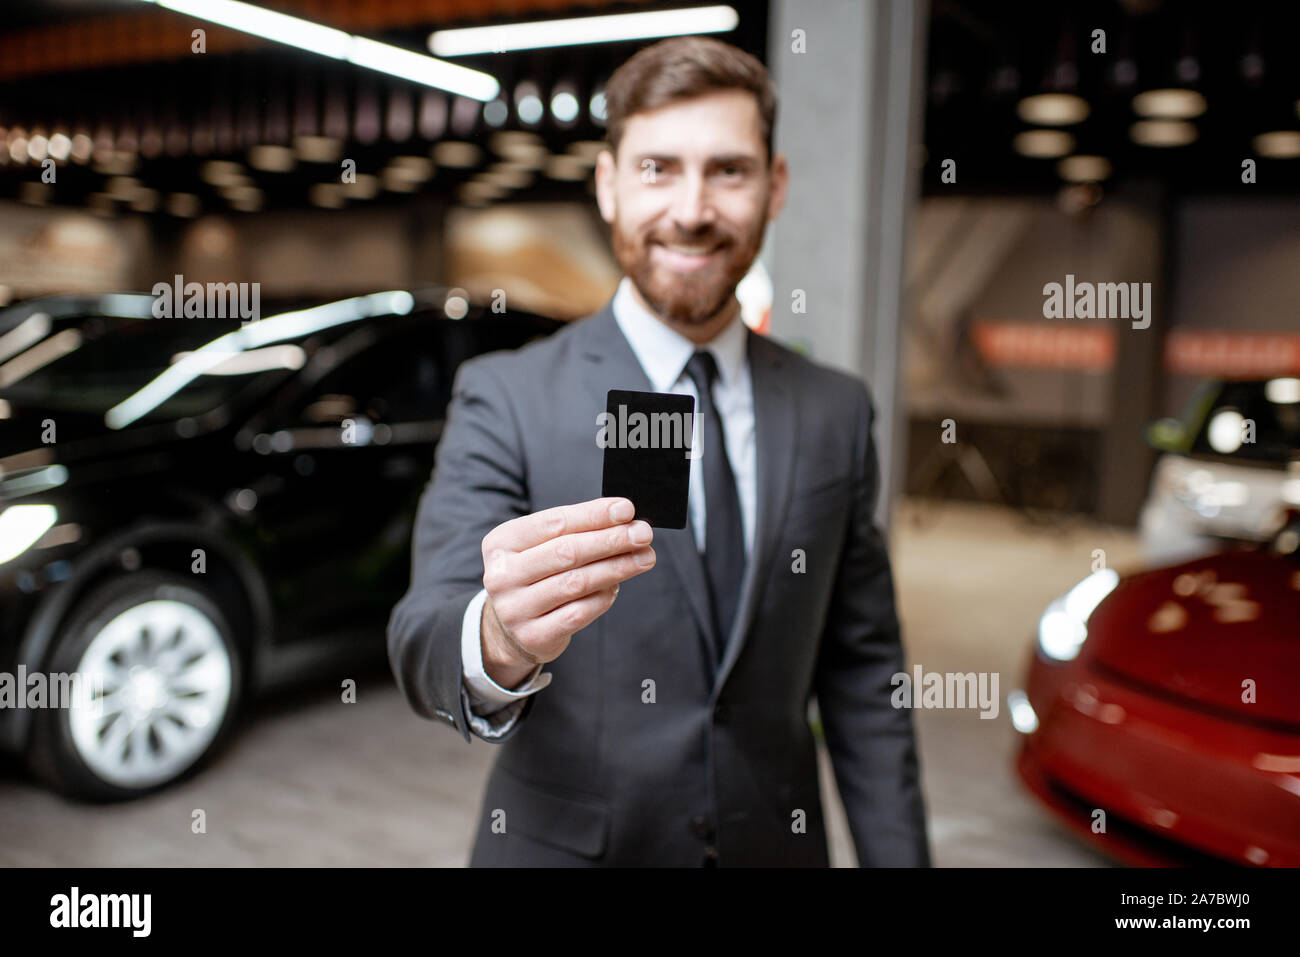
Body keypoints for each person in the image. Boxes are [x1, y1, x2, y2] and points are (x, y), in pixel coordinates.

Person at [387, 34, 930, 867]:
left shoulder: (836, 411)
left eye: (728, 170)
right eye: (657, 168)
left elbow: (864, 673)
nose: (691, 208)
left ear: (774, 186)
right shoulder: (508, 394)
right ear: (608, 186)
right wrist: (498, 634)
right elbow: (423, 631)